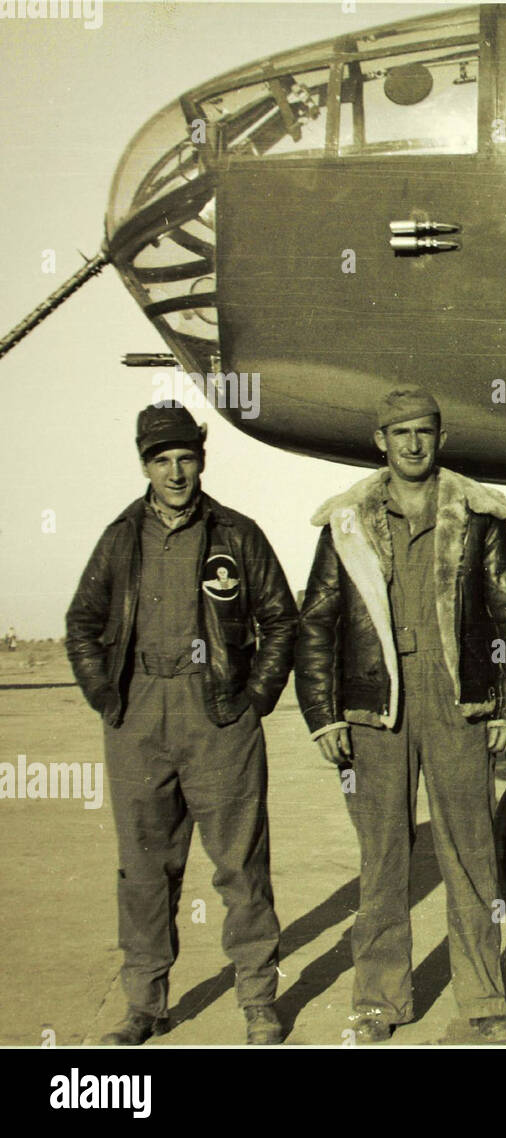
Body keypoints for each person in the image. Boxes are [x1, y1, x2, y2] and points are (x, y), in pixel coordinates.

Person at [295, 388, 506, 1043]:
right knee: (382, 860)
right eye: (399, 432)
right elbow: (317, 621)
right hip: (376, 708)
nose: (411, 444)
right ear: (380, 439)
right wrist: (324, 714)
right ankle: (379, 1001)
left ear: (441, 437)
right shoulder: (347, 519)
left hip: (458, 701)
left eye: (423, 432)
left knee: (470, 854)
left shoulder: (479, 514)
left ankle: (485, 1000)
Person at [65, 402, 297, 1045]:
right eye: (162, 461)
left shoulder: (237, 534)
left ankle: (256, 999)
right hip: (138, 717)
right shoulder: (119, 538)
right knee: (143, 869)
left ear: (201, 461)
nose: (175, 473)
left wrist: (253, 699)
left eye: (185, 459)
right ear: (145, 464)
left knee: (240, 866)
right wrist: (106, 697)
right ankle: (145, 1005)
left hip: (218, 716)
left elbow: (280, 619)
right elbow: (81, 623)